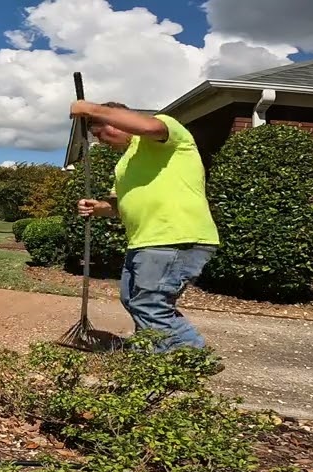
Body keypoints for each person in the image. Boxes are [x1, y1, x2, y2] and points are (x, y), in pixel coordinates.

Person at [72, 101, 220, 352]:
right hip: (146, 241)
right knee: (134, 300)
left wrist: (92, 109)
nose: (100, 140)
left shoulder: (164, 133)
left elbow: (148, 126)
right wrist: (97, 208)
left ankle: (191, 354)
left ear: (120, 120)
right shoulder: (125, 162)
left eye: (100, 132)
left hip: (174, 237)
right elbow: (120, 204)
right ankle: (155, 347)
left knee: (150, 303)